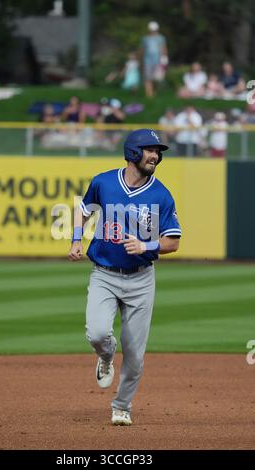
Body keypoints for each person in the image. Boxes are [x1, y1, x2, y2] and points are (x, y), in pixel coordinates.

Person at [68, 128, 181, 426]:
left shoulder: (162, 194)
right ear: (133, 151)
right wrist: (76, 240)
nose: (155, 155)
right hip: (104, 274)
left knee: (135, 353)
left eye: (158, 151)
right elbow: (82, 211)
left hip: (141, 279)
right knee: (97, 333)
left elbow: (173, 241)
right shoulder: (104, 182)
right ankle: (106, 355)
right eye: (149, 149)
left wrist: (147, 245)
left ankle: (122, 405)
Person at [140, 21, 168, 98]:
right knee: (147, 77)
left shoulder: (161, 38)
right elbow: (142, 49)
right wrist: (140, 60)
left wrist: (165, 59)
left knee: (157, 78)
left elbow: (164, 49)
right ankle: (149, 95)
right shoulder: (145, 39)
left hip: (158, 61)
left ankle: (154, 91)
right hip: (147, 61)